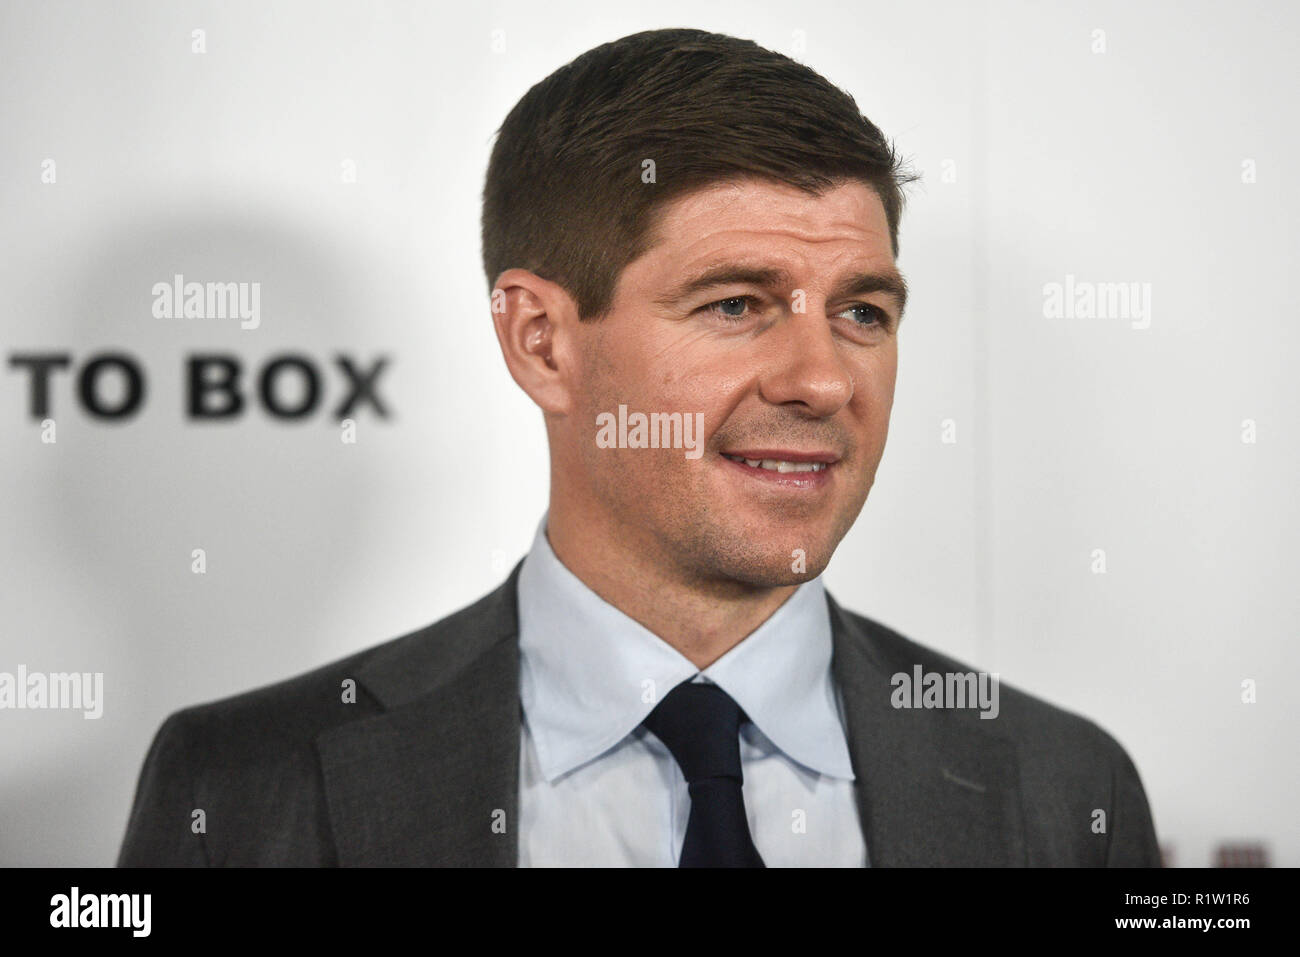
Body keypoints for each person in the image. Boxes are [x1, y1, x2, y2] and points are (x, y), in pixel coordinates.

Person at [118, 27, 1159, 867]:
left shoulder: (1062, 787)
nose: (823, 380)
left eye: (862, 312)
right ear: (543, 343)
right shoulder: (243, 785)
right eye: (737, 303)